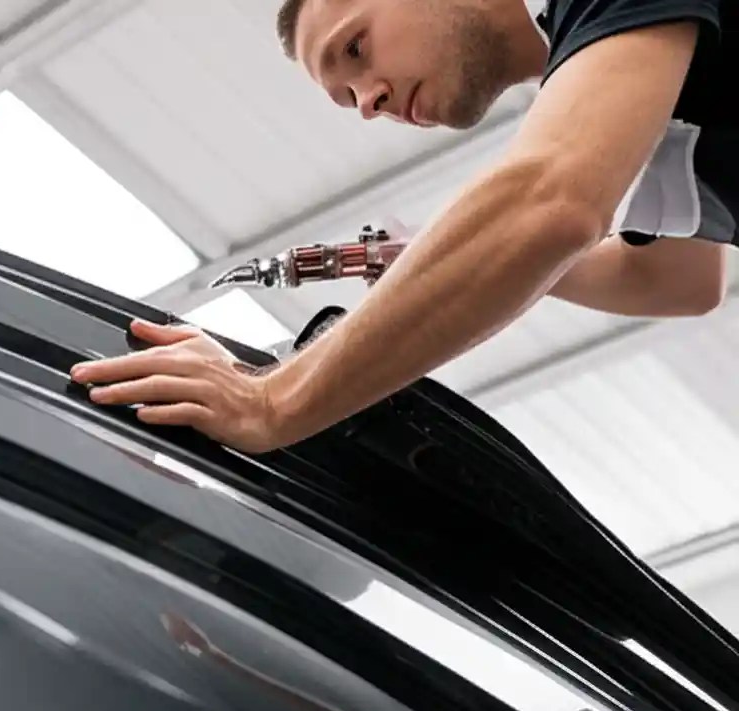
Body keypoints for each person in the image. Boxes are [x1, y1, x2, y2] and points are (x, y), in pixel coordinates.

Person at [69, 0, 734, 454]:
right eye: (349, 99)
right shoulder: (642, 87)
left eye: (355, 49)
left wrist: (270, 402)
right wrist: (437, 259)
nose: (367, 101)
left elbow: (549, 206)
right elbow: (672, 280)